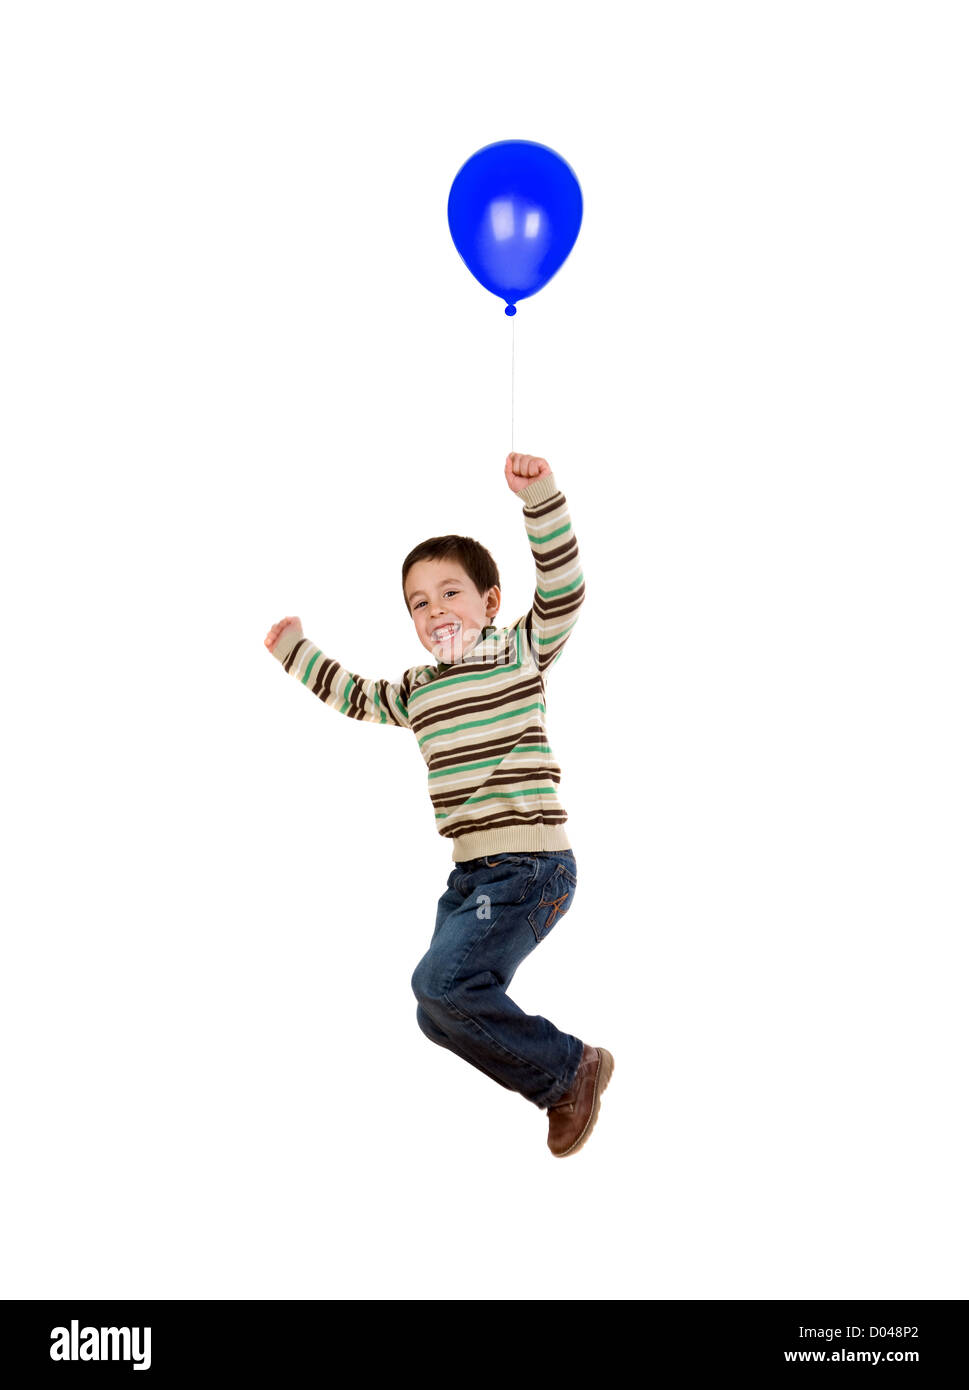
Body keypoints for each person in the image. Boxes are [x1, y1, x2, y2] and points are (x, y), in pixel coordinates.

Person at [264, 452, 613, 1156]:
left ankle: (570, 1069)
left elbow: (565, 589)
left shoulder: (517, 651)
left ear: (488, 603)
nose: (434, 612)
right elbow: (354, 696)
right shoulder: (418, 688)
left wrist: (538, 498)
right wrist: (295, 650)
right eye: (419, 603)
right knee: (437, 1012)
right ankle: (564, 1070)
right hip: (470, 879)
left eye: (449, 594)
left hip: (526, 867)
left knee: (441, 984)